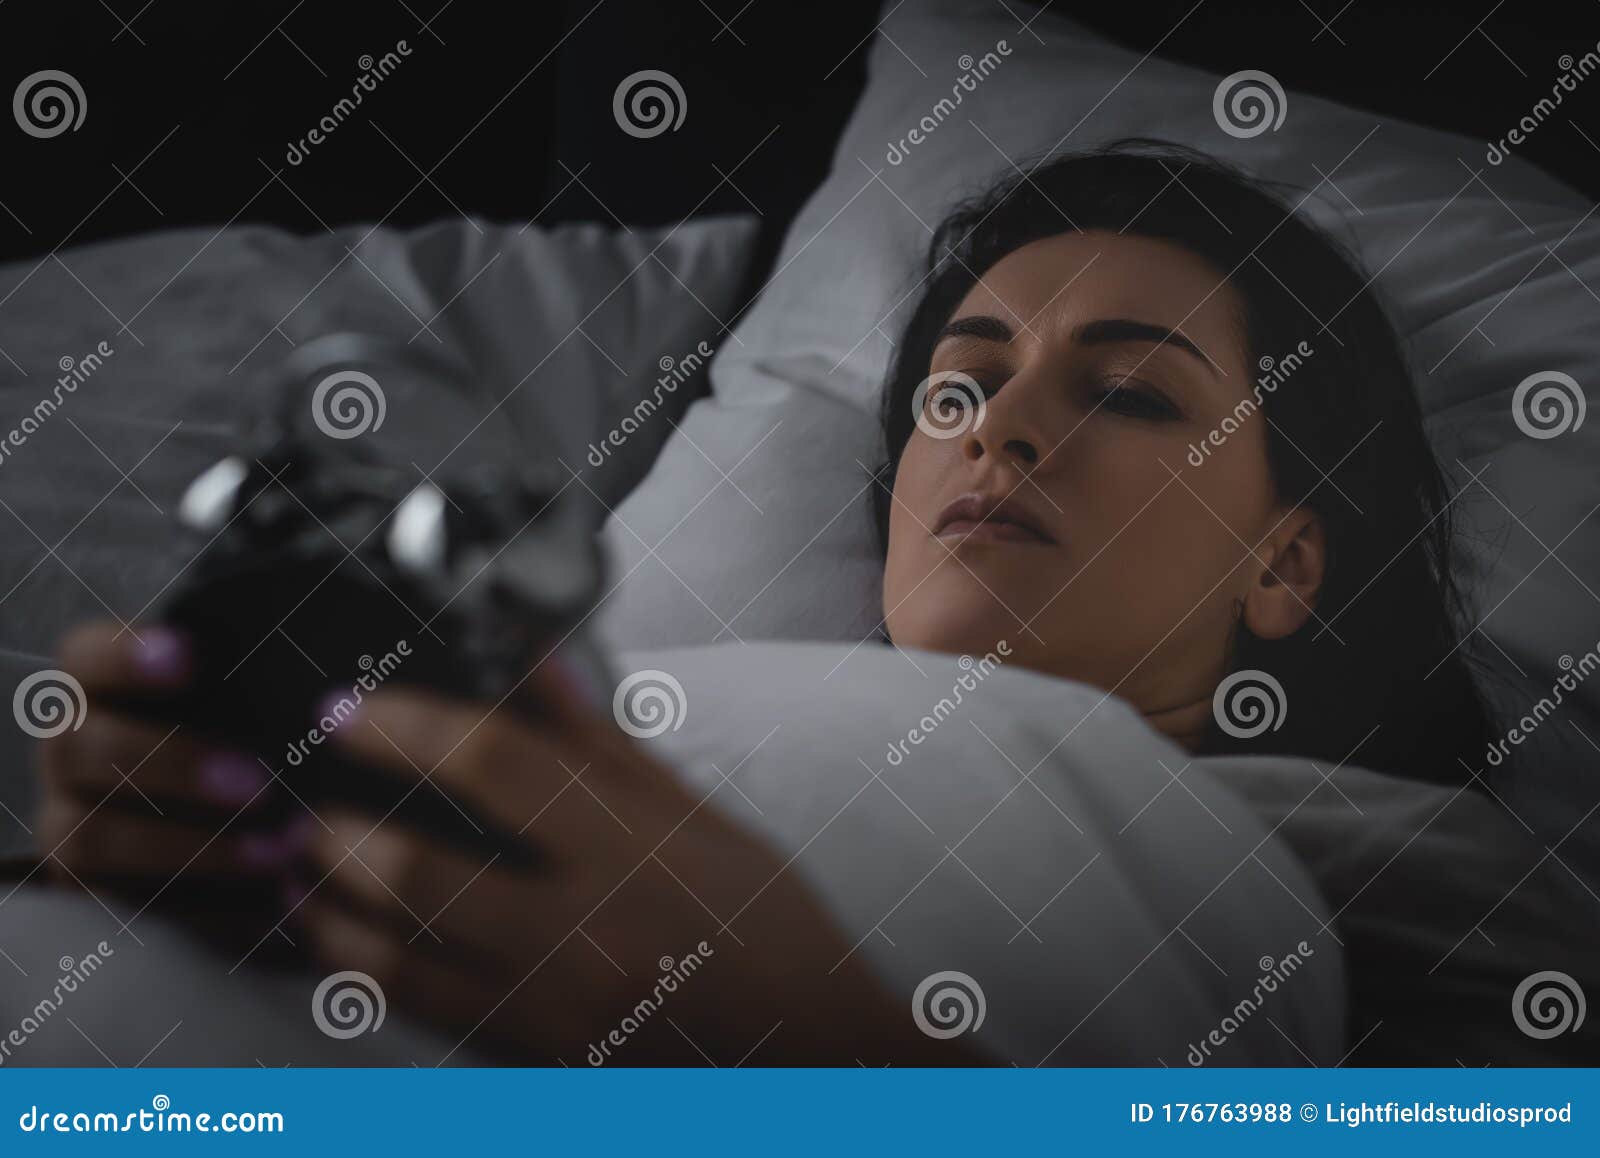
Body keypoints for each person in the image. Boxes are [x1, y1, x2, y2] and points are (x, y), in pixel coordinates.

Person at [33, 142, 1503, 1063]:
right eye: (958, 389)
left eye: (1126, 392)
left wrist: (805, 1042)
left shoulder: (1417, 880)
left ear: (1284, 563)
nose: (997, 429)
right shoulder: (625, 693)